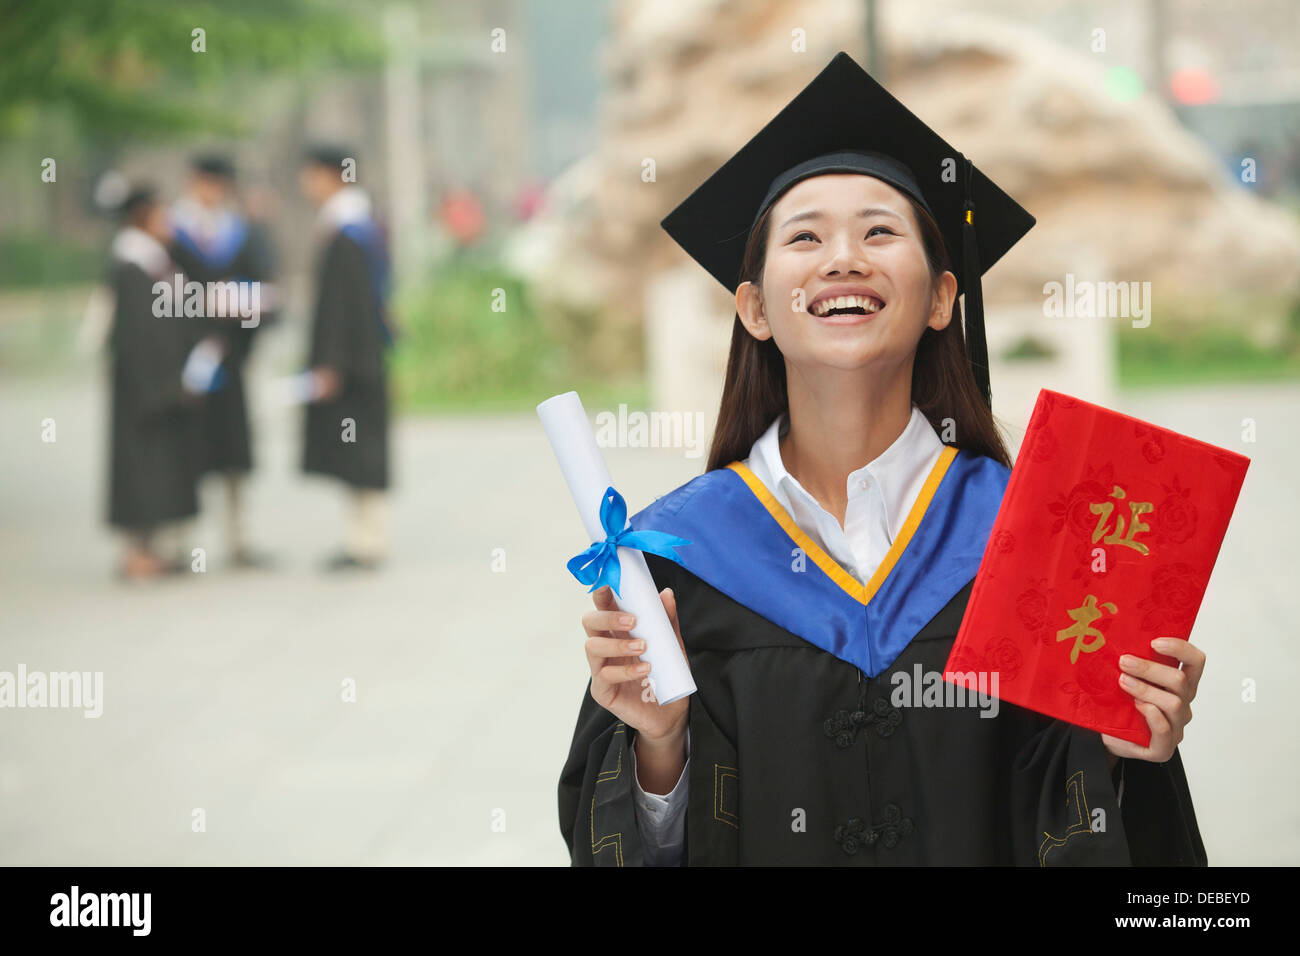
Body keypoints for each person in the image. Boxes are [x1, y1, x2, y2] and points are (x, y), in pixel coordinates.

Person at [559, 52, 1207, 866]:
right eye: (805, 237)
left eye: (878, 231)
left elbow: (1072, 804)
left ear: (941, 297)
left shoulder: (1034, 531)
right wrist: (658, 746)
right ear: (755, 308)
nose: (842, 258)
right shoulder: (678, 562)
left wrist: (1122, 745)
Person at [169, 154, 279, 568]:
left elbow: (263, 284)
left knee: (233, 453)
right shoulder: (172, 231)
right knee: (186, 451)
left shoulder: (241, 231)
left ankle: (238, 540)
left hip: (230, 357)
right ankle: (179, 543)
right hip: (186, 362)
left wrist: (246, 312)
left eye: (220, 184)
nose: (214, 192)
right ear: (193, 182)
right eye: (207, 183)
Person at [298, 145, 393, 570]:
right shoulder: (359, 225)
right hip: (363, 359)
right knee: (356, 448)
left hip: (354, 366)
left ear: (331, 175)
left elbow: (344, 308)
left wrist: (331, 363)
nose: (306, 184)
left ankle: (366, 543)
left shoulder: (348, 233)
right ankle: (361, 539)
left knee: (360, 449)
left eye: (311, 174)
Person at [104, 187, 202, 579]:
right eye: (163, 216)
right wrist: (161, 387)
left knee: (155, 470)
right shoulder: (131, 268)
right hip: (142, 392)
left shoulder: (154, 262)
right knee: (139, 470)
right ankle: (137, 554)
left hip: (158, 387)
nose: (170, 224)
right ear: (144, 217)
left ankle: (152, 550)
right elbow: (137, 339)